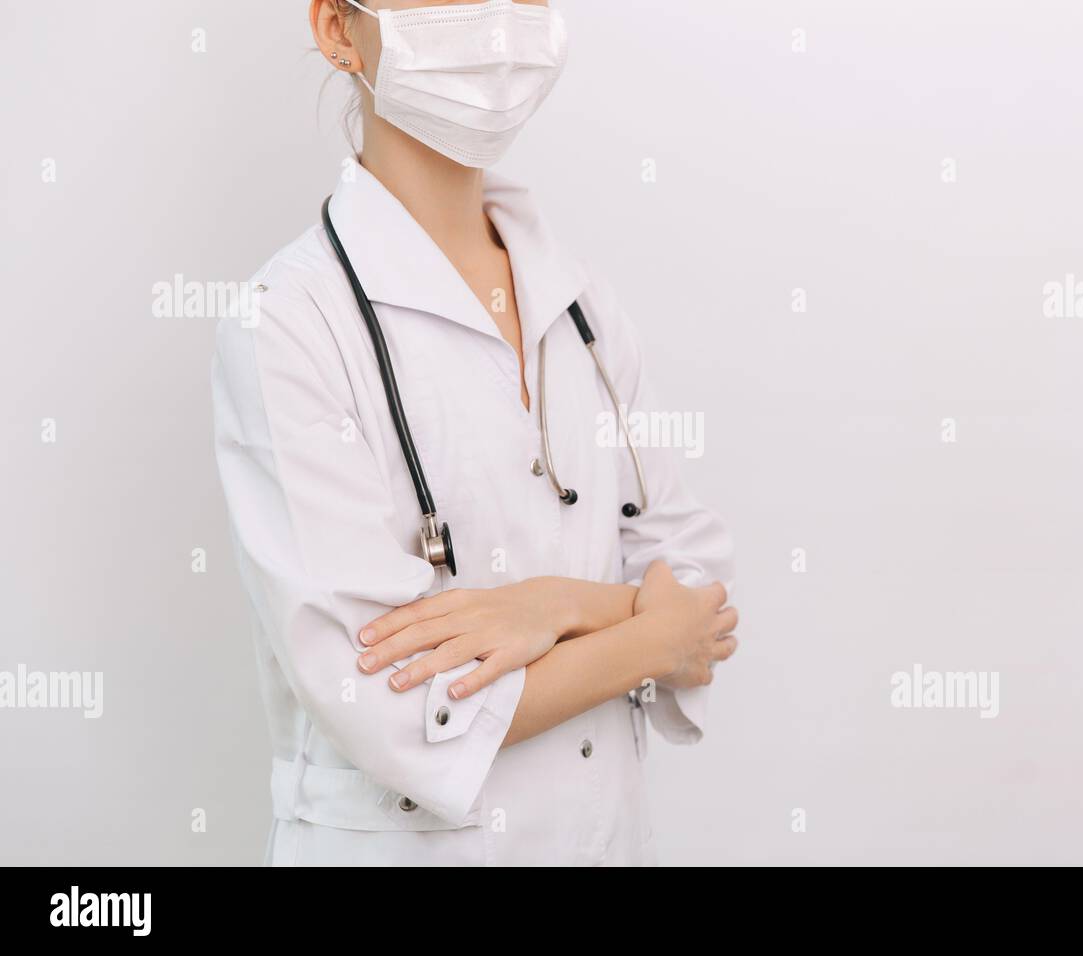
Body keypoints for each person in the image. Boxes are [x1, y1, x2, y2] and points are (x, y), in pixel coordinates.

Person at [211, 0, 738, 866]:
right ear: (340, 31)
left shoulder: (582, 304)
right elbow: (393, 694)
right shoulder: (289, 323)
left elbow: (703, 598)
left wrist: (553, 606)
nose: (490, 21)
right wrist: (646, 635)